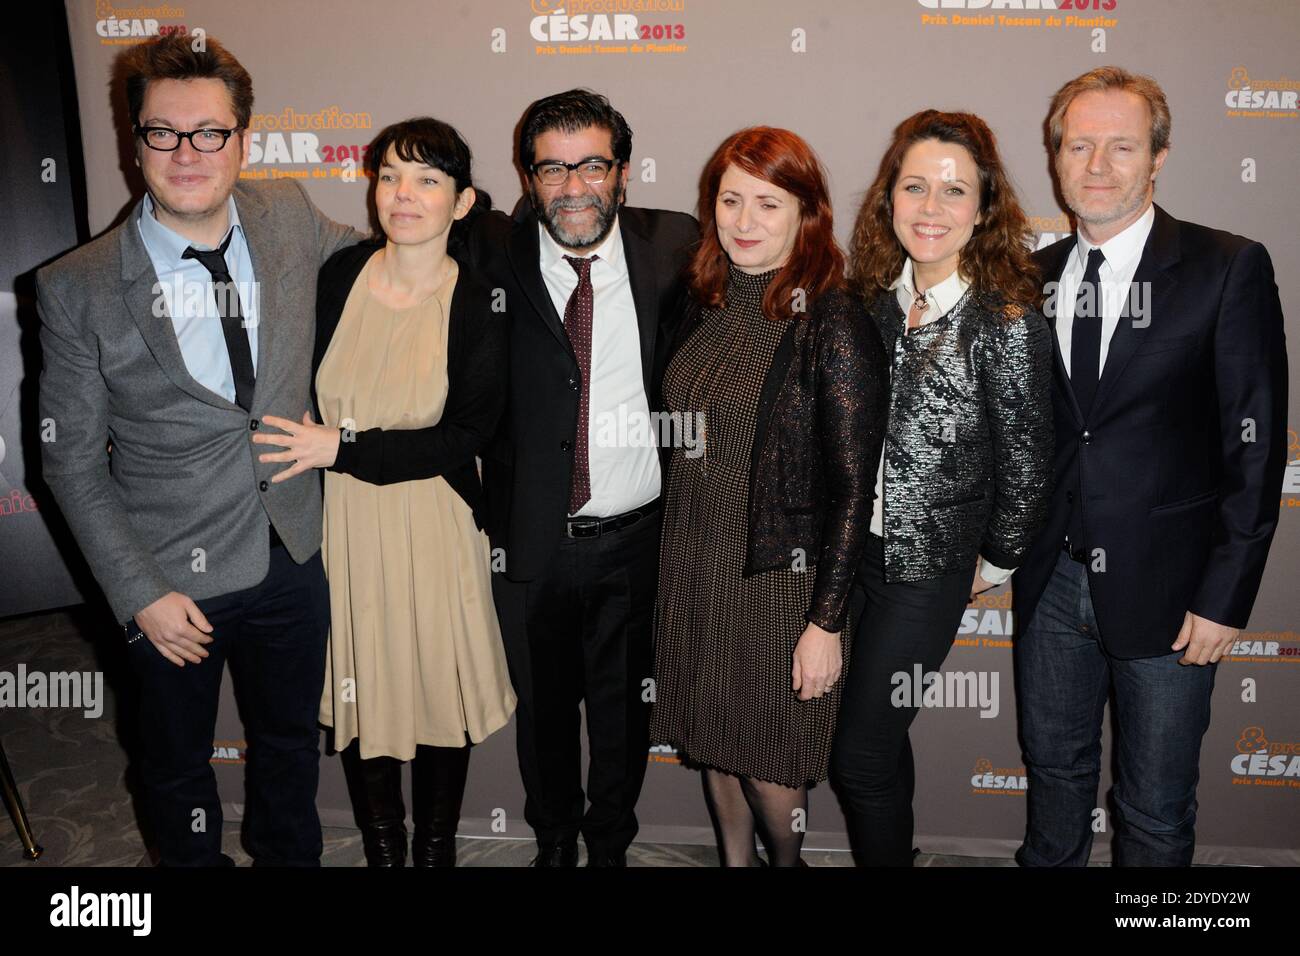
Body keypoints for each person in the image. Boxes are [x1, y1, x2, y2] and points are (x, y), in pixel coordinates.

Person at [35, 34, 360, 866]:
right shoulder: (76, 284)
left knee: (289, 744)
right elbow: (69, 461)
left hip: (292, 545)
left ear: (242, 140)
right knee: (174, 768)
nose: (187, 154)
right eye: (162, 133)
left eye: (209, 132)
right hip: (167, 573)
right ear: (131, 141)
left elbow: (380, 265)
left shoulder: (287, 211)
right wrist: (138, 592)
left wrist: (474, 227)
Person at [1014, 67, 1288, 867]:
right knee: (1054, 782)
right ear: (1056, 156)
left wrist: (1225, 596)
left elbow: (1256, 445)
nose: (1097, 164)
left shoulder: (1225, 266)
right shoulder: (1030, 277)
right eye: (1079, 144)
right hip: (1051, 583)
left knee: (1157, 810)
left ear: (1159, 157)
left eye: (1122, 145)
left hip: (1175, 594)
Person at [251, 118, 515, 867]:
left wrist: (344, 446)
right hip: (345, 525)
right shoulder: (340, 275)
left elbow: (469, 432)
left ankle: (432, 853)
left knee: (436, 693)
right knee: (365, 688)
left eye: (428, 180)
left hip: (436, 521)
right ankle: (384, 851)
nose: (404, 195)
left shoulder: (481, 294)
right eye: (391, 176)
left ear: (461, 203)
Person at [463, 89, 697, 866]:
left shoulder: (674, 245)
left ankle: (610, 850)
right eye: (552, 168)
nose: (572, 187)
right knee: (546, 718)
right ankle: (554, 846)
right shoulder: (489, 251)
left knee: (625, 716)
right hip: (530, 544)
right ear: (527, 178)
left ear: (622, 172)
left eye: (591, 164)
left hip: (637, 543)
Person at [650, 127, 888, 867]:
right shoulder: (702, 302)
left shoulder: (832, 319)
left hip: (777, 584)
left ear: (805, 214)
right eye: (730, 200)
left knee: (768, 762)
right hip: (692, 560)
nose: (745, 221)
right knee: (712, 743)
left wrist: (824, 623)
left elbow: (855, 490)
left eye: (767, 203)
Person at [831, 110, 1053, 867]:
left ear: (985, 207)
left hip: (927, 572)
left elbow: (1028, 456)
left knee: (858, 757)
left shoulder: (1007, 315)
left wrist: (994, 563)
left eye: (954, 192)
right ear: (888, 198)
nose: (931, 209)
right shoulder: (869, 300)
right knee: (877, 743)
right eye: (915, 187)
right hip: (853, 554)